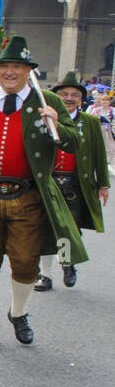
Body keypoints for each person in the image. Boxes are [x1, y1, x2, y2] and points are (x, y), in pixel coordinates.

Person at [0, 36, 85, 347]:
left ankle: (19, 312)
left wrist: (59, 122)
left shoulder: (48, 102)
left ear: (28, 70)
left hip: (28, 197)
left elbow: (74, 142)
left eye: (16, 66)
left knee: (26, 261)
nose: (10, 72)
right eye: (4, 66)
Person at [35, 70, 109, 290]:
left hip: (75, 185)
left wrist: (103, 184)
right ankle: (45, 275)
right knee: (46, 229)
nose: (68, 98)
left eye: (74, 95)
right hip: (48, 182)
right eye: (64, 94)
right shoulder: (43, 119)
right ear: (55, 97)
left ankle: (67, 262)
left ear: (81, 99)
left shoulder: (90, 122)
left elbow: (99, 154)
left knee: (70, 229)